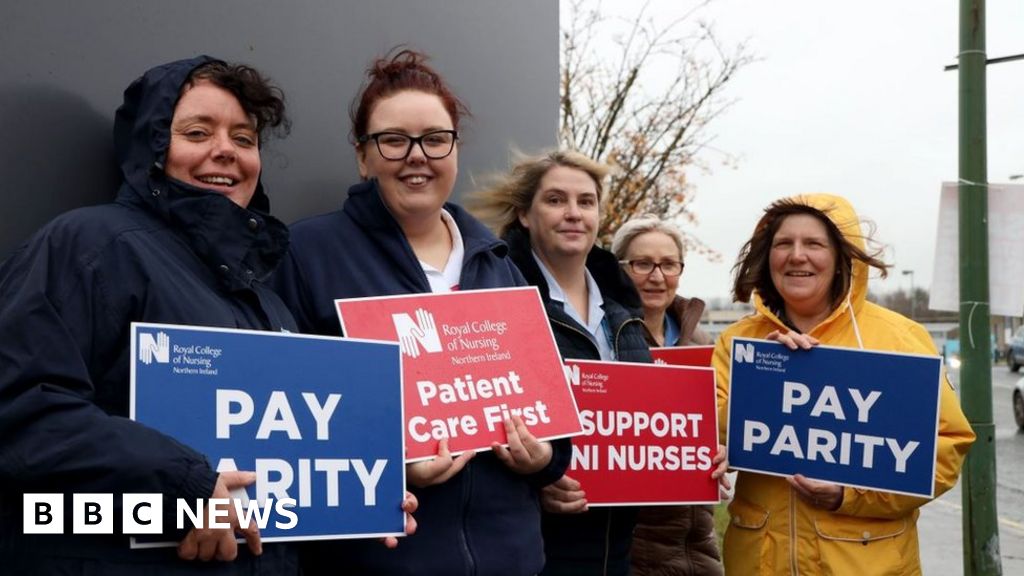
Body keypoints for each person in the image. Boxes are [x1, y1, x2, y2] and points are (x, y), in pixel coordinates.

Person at [271, 49, 569, 576]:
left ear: (454, 150)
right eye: (393, 140)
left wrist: (544, 460)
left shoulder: (502, 265)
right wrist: (390, 471)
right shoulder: (306, 254)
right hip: (376, 562)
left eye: (435, 139)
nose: (417, 156)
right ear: (363, 157)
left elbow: (555, 424)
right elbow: (278, 424)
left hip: (513, 559)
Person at [0, 56, 298, 574]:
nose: (225, 150)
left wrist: (371, 503)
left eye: (245, 139)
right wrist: (182, 488)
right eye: (197, 132)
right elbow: (23, 412)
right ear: (153, 149)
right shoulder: (90, 245)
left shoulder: (268, 300)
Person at [468, 150, 728, 576]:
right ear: (525, 215)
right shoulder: (496, 302)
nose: (573, 214)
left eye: (586, 202)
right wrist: (539, 479)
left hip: (614, 552)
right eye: (555, 200)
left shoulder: (624, 312)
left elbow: (643, 427)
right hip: (536, 552)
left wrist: (695, 454)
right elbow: (470, 426)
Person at [712, 194, 975, 575]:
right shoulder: (736, 343)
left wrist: (847, 495)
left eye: (813, 244)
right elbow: (709, 438)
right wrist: (764, 381)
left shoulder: (899, 338)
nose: (796, 255)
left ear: (840, 259)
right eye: (783, 243)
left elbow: (944, 451)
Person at [611, 216, 722, 575]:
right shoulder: (602, 342)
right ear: (619, 269)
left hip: (699, 544)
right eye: (642, 264)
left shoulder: (702, 343)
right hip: (634, 550)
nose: (657, 277)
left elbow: (718, 424)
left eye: (669, 264)